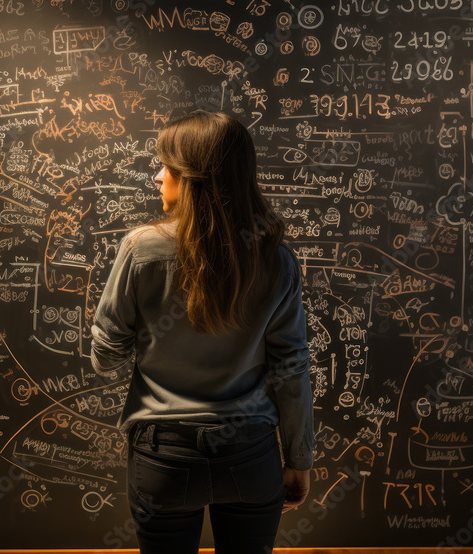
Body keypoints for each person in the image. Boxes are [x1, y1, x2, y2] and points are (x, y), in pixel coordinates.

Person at [90, 110, 314, 554]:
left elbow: (106, 359)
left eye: (167, 167)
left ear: (192, 178)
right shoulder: (276, 259)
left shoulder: (140, 249)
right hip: (251, 454)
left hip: (163, 458)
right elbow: (292, 369)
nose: (157, 177)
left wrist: (147, 333)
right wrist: (299, 461)